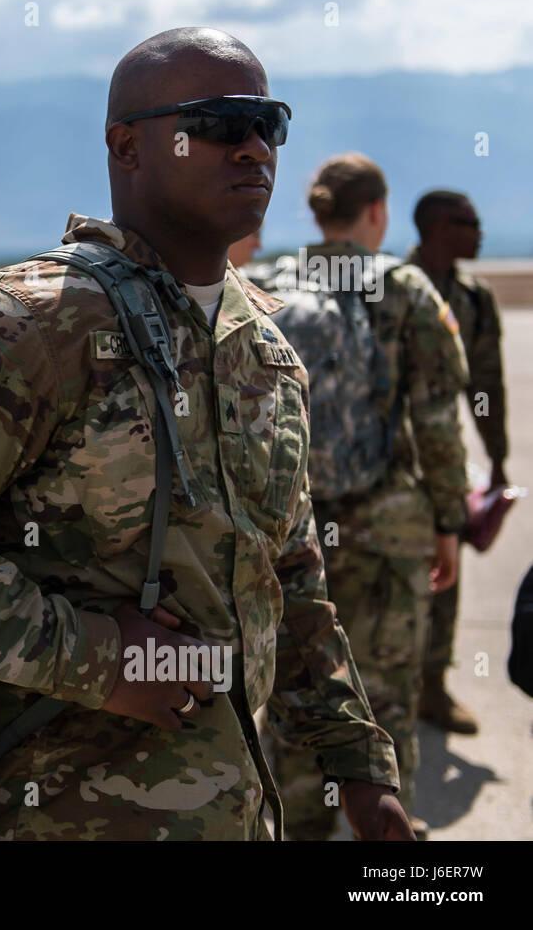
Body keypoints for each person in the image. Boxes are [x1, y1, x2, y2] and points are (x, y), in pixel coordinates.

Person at [0, 27, 410, 840]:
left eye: (270, 123)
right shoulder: (23, 323)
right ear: (128, 147)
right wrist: (92, 656)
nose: (254, 148)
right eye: (223, 123)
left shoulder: (261, 344)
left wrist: (360, 770)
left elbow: (289, 572)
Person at [265, 155, 469, 840]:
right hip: (387, 533)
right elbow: (437, 420)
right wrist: (449, 522)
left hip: (291, 534)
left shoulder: (268, 283)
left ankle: (298, 824)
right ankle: (388, 837)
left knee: (298, 691)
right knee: (384, 695)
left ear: (319, 214)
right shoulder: (404, 288)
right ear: (377, 212)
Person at [407, 190, 506, 735]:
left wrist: (499, 460)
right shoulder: (388, 287)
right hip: (388, 469)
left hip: (444, 464)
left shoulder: (474, 299)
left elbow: (487, 385)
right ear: (440, 227)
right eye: (469, 223)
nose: (480, 231)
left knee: (446, 576)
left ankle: (432, 687)